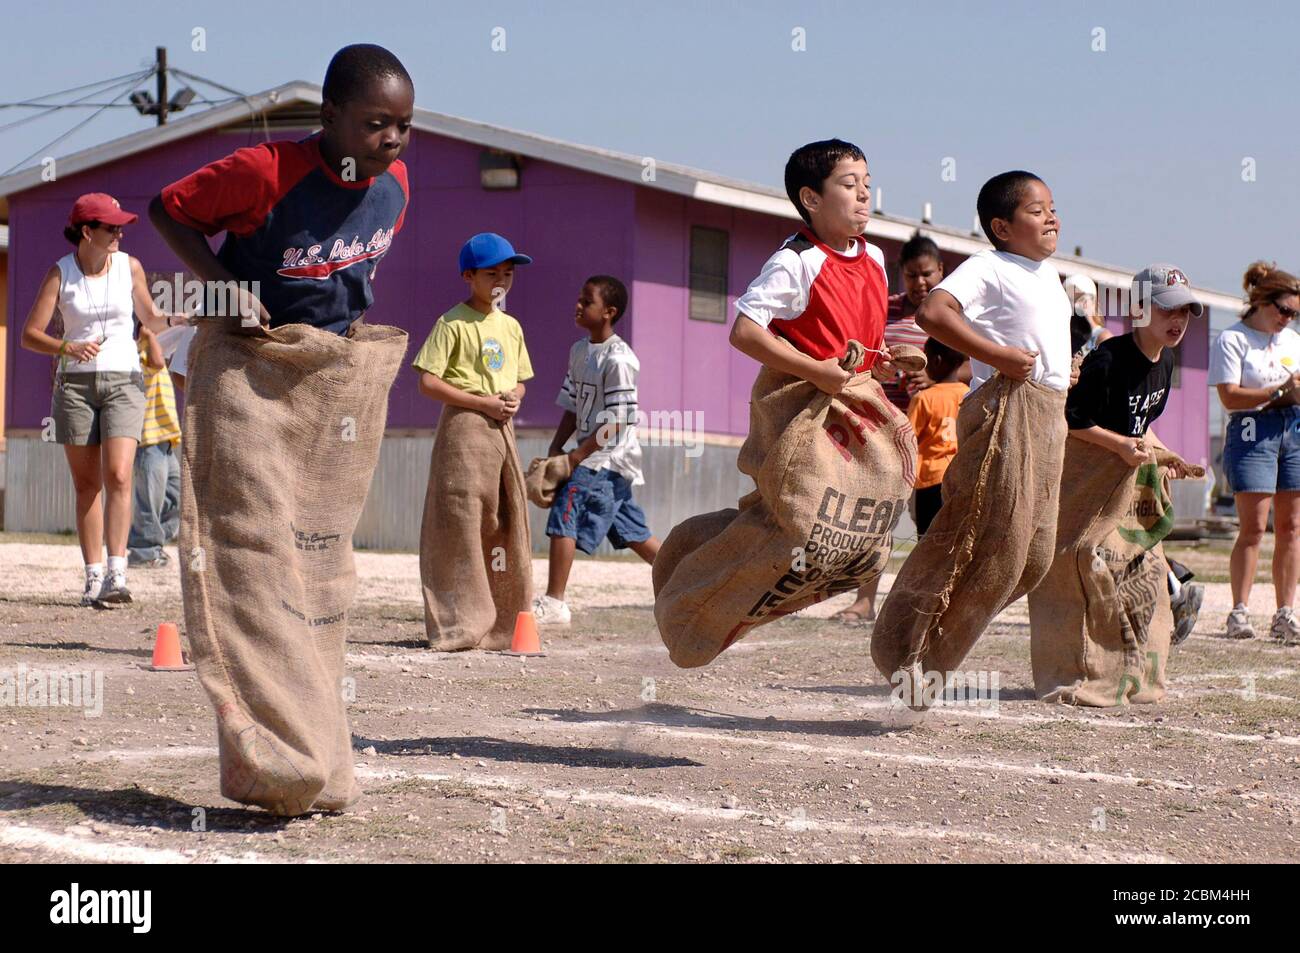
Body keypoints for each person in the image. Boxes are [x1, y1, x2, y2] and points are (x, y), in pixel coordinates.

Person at [150, 43, 414, 815]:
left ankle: (314, 739)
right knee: (256, 556)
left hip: (325, 385)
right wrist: (226, 288)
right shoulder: (266, 171)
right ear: (329, 118)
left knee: (319, 569)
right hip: (248, 373)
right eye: (373, 124)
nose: (391, 140)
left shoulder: (396, 184)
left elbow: (351, 275)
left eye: (403, 125)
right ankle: (274, 750)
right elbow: (171, 207)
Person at [871, 170, 1074, 698]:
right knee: (993, 544)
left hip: (1051, 413)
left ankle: (928, 653)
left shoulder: (1049, 275)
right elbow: (933, 313)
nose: (1052, 217)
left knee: (1032, 560)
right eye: (1037, 210)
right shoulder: (990, 266)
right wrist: (998, 357)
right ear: (1002, 227)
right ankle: (908, 652)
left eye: (1053, 207)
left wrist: (1061, 370)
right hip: (1009, 411)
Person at [20, 193, 177, 605]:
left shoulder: (130, 267)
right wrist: (67, 348)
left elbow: (151, 318)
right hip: (75, 386)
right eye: (112, 227)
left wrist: (178, 317)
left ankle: (117, 574)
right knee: (87, 484)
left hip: (125, 380)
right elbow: (29, 334)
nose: (120, 233)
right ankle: (92, 577)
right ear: (87, 232)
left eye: (121, 226)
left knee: (121, 475)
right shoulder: (61, 273)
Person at [1065, 264, 1206, 645]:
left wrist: (1163, 455)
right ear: (1139, 310)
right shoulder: (1109, 361)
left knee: (1136, 553)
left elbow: (1140, 425)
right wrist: (1120, 445)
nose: (1178, 320)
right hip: (1086, 479)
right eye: (1167, 309)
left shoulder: (1166, 361)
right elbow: (1072, 421)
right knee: (1091, 561)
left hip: (1125, 476)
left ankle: (1158, 612)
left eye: (1184, 312)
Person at [833, 232, 970, 624]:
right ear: (902, 275)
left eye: (927, 274)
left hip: (933, 439)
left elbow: (973, 362)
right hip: (882, 428)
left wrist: (939, 384)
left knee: (933, 521)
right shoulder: (885, 309)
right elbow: (863, 349)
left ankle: (940, 601)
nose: (920, 283)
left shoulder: (951, 314)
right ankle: (865, 600)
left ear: (941, 271)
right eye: (912, 275)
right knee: (879, 512)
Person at [414, 233, 535, 651]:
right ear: (469, 276)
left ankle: (502, 626)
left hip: (501, 431)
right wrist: (479, 402)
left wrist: (511, 399)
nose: (501, 279)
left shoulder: (511, 326)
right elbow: (428, 382)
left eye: (508, 272)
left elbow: (519, 380)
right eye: (491, 273)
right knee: (459, 524)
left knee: (505, 522)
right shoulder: (451, 323)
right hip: (464, 430)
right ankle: (459, 624)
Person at [534, 276, 660, 625]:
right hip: (590, 452)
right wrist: (557, 447)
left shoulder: (620, 358)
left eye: (586, 301)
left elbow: (619, 419)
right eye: (579, 298)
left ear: (609, 312)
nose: (578, 305)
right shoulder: (579, 351)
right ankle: (688, 581)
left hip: (608, 456)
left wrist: (578, 456)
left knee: (565, 510)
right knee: (631, 531)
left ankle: (555, 603)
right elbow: (572, 406)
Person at [1208, 261, 1300, 643]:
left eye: (1295, 313)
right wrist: (1278, 392)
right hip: (1252, 432)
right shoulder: (1232, 339)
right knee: (1252, 528)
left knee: (1292, 528)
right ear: (1262, 301)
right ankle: (1239, 612)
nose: (1289, 319)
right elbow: (1230, 396)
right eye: (1284, 310)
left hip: (1293, 430)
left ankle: (1285, 614)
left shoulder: (1292, 341)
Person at [126, 323, 182, 568]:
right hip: (148, 438)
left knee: (175, 497)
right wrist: (149, 334)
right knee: (149, 498)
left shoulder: (148, 350)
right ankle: (143, 551)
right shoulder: (138, 353)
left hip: (166, 438)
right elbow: (159, 362)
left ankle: (155, 542)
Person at [905, 337, 968, 535]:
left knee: (927, 539)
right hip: (960, 477)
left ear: (936, 361)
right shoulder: (969, 394)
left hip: (929, 480)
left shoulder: (924, 398)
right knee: (953, 538)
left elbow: (908, 440)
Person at [1064, 273, 1112, 357]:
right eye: (1072, 299)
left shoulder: (1102, 336)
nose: (1076, 304)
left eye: (1081, 297)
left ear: (1093, 301)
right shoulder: (1066, 336)